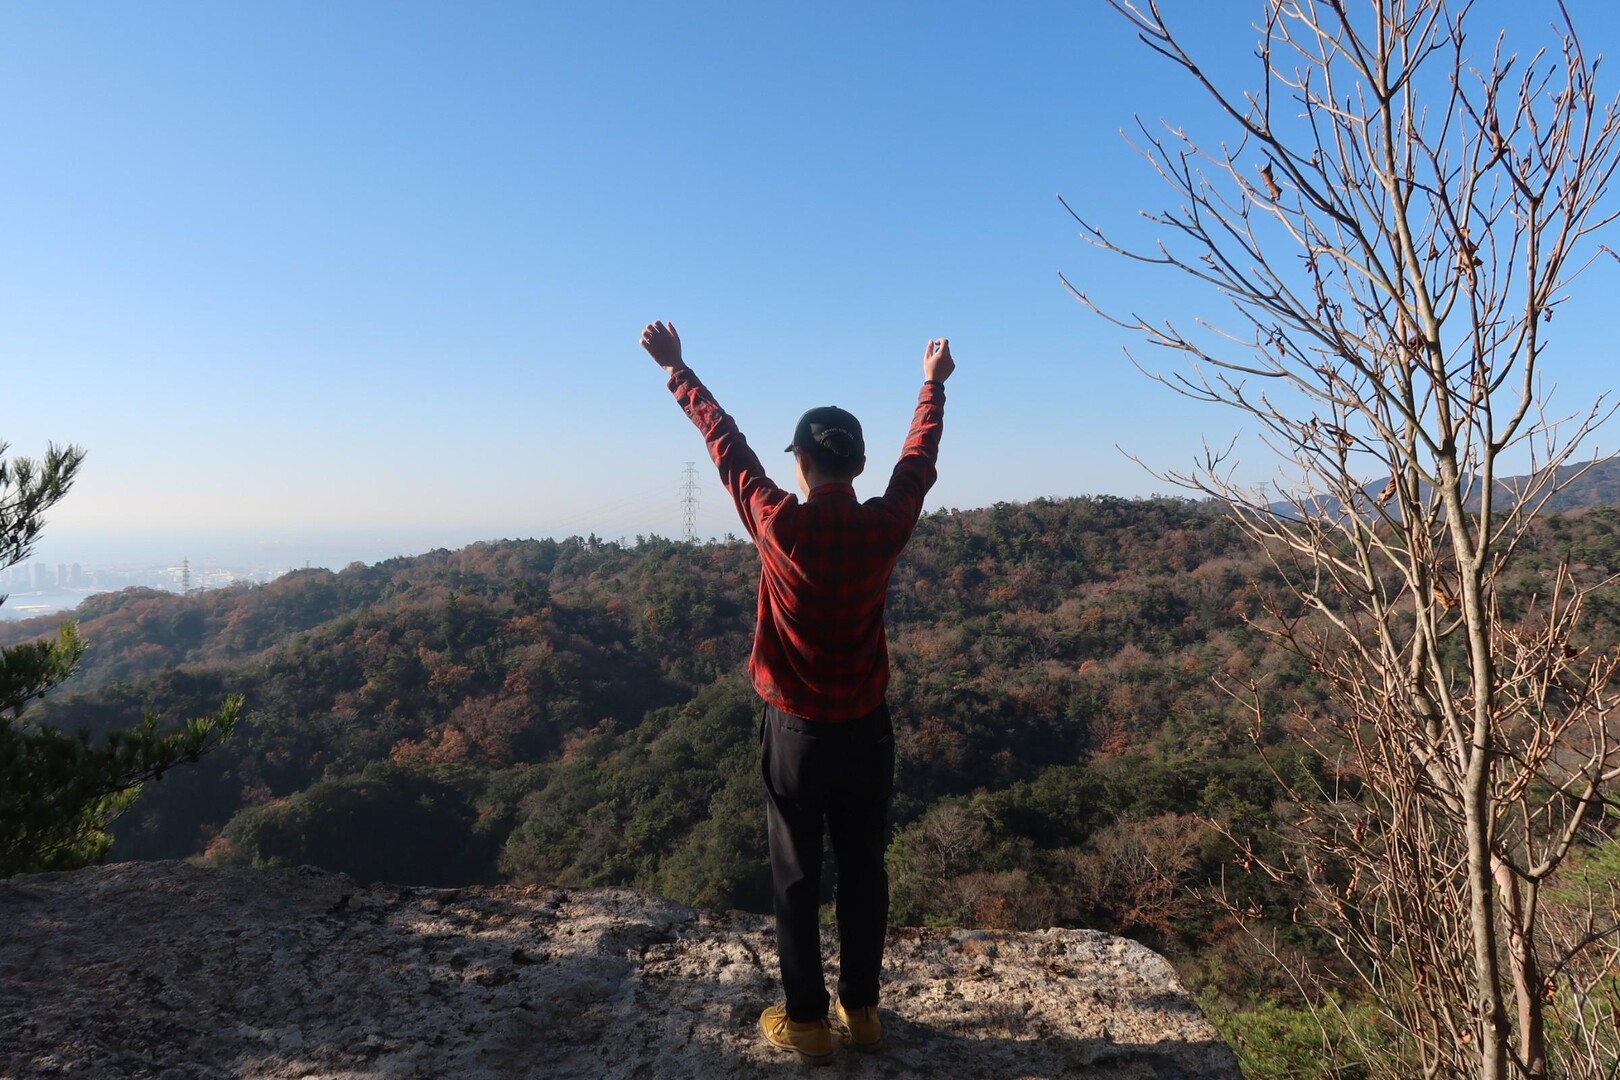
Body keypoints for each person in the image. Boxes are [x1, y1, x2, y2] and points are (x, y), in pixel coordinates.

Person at [639, 320, 953, 1063]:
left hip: (795, 735)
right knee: (864, 868)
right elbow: (918, 462)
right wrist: (932, 387)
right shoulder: (883, 527)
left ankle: (808, 1023)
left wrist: (678, 369)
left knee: (796, 875)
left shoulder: (778, 524)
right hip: (867, 728)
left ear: (803, 463)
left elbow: (727, 446)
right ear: (859, 465)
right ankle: (863, 1012)